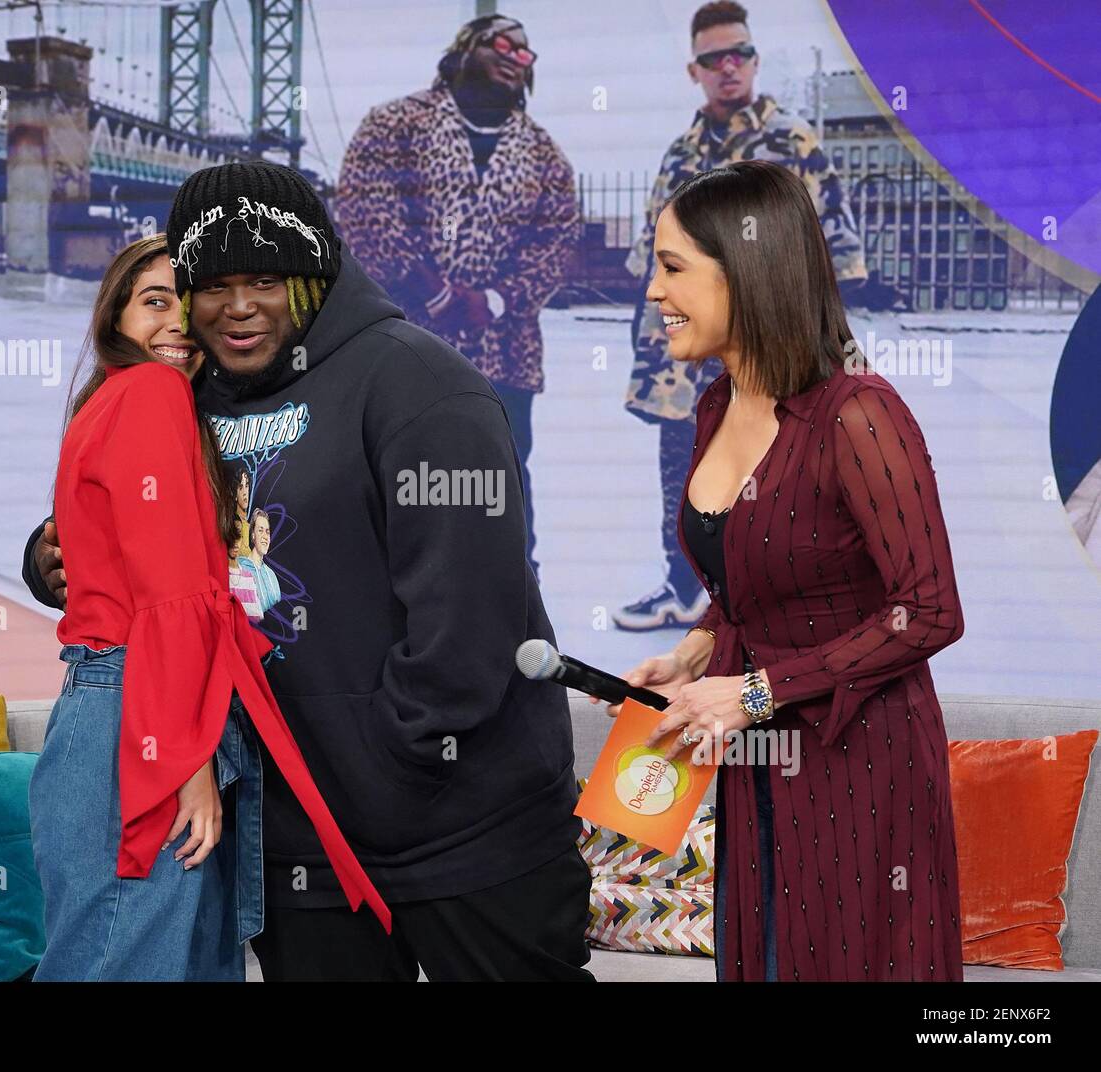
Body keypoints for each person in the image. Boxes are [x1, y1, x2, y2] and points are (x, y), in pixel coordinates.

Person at [23, 162, 593, 982]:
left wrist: (392, 756)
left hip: (464, 825)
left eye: (266, 277)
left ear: (314, 269)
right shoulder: (188, 394)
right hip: (300, 843)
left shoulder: (417, 382)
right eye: (212, 284)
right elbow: (136, 523)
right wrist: (49, 555)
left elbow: (470, 615)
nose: (239, 305)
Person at [599, 160, 964, 981]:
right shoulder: (714, 405)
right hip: (751, 762)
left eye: (672, 268)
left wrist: (757, 691)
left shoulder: (860, 417)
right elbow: (758, 580)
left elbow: (931, 611)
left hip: (860, 763)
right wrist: (695, 652)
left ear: (749, 269)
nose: (653, 292)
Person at [27, 234, 389, 982]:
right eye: (154, 302)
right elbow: (169, 597)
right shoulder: (152, 394)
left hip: (117, 710)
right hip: (143, 715)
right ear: (113, 316)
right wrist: (186, 757)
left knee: (137, 954)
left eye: (186, 306)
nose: (177, 325)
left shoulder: (115, 403)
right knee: (132, 961)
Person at [614, 0, 868, 631]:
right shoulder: (681, 154)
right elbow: (654, 262)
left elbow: (835, 258)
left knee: (784, 482)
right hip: (688, 364)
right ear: (693, 70)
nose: (730, 67)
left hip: (774, 356)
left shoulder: (793, 142)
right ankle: (682, 590)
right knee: (685, 475)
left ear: (753, 60)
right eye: (714, 58)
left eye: (741, 54)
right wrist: (649, 352)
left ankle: (775, 608)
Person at [333, 12, 581, 582]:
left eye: (527, 53)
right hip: (403, 339)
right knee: (401, 471)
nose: (518, 56)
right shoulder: (395, 122)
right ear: (465, 49)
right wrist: (433, 290)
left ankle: (514, 598)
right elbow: (367, 209)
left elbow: (557, 238)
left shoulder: (543, 153)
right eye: (505, 43)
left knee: (504, 473)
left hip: (506, 349)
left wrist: (495, 299)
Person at [237, 508, 282, 617]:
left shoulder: (271, 575)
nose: (265, 537)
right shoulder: (239, 570)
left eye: (267, 531)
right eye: (260, 530)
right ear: (253, 535)